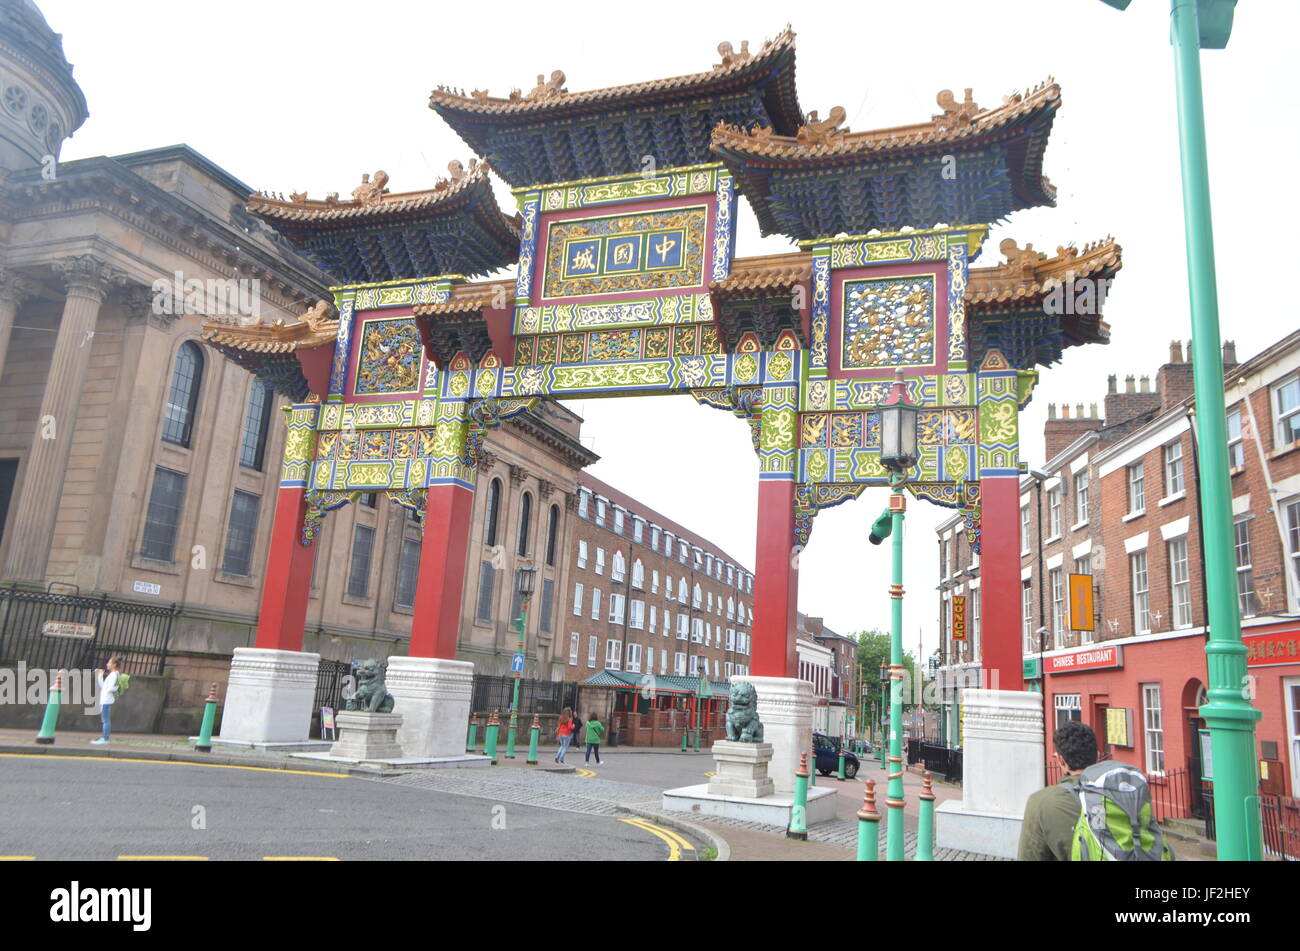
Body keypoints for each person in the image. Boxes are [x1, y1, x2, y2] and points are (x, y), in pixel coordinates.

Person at [1018, 720, 1097, 860]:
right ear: (1097, 755)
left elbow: (1031, 854)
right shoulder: (1124, 794)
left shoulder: (1041, 802)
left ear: (1060, 760)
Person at [90, 656, 122, 746]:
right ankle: (104, 737)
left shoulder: (113, 675)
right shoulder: (114, 674)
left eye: (109, 663)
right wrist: (100, 677)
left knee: (105, 720)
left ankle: (105, 739)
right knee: (105, 720)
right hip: (106, 700)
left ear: (114, 664)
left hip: (107, 700)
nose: (107, 664)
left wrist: (110, 690)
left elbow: (112, 688)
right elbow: (104, 686)